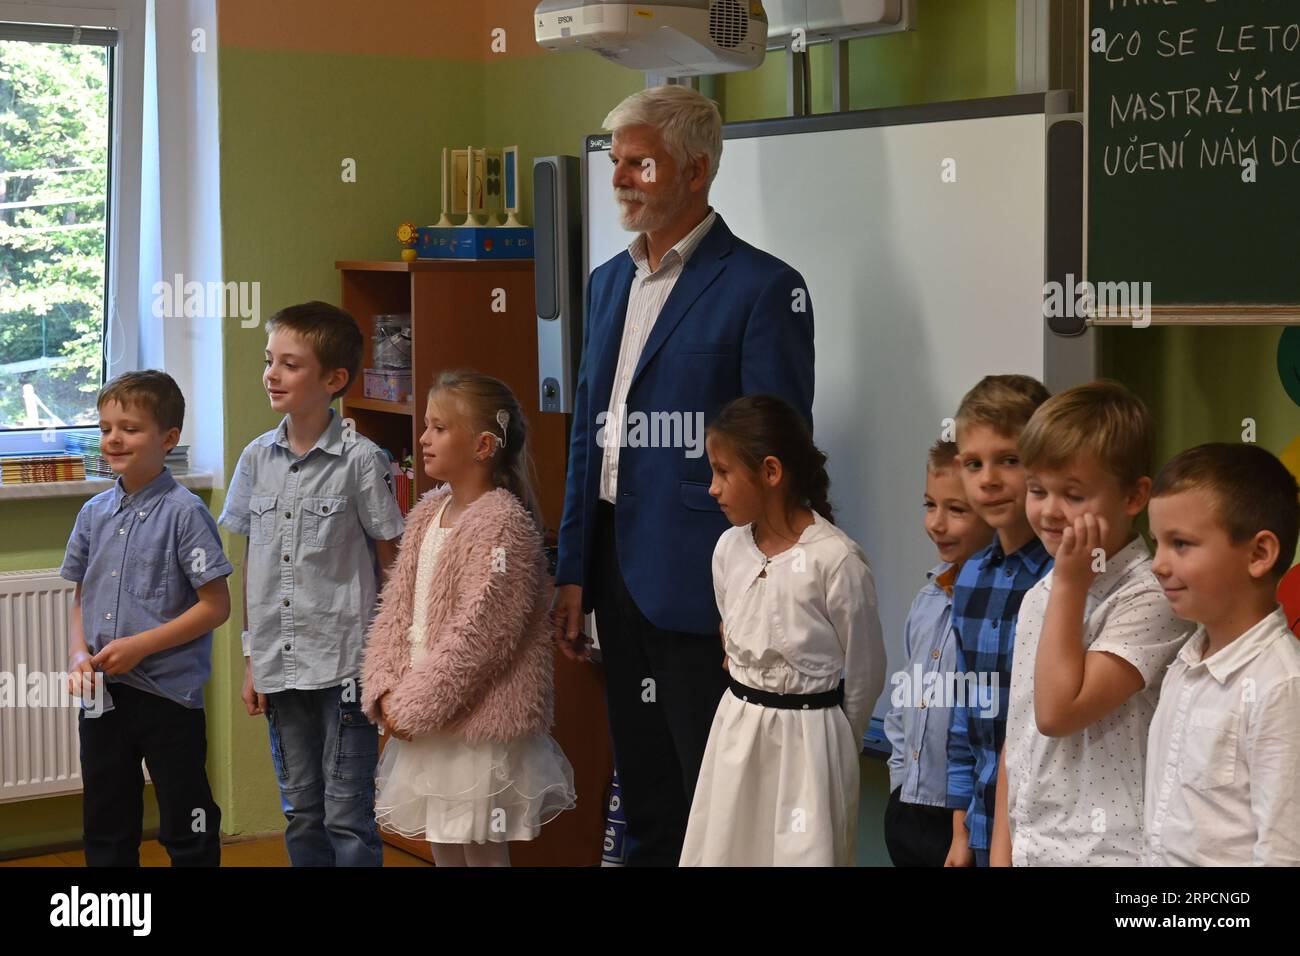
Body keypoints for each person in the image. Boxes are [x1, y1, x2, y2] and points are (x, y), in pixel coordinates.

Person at [550, 85, 816, 865]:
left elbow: (778, 453)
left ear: (695, 171)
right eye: (617, 162)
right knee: (649, 798)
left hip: (709, 583)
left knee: (716, 800)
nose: (621, 178)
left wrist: (758, 588)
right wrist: (573, 569)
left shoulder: (764, 288)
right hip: (614, 570)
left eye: (640, 163)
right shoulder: (607, 283)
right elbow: (585, 441)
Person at [361, 371, 575, 866]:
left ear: (481, 445)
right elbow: (395, 609)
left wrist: (412, 705)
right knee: (445, 845)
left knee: (479, 848)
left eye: (438, 428)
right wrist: (387, 685)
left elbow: (480, 640)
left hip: (475, 725)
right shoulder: (428, 511)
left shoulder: (501, 523)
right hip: (428, 717)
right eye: (426, 426)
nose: (423, 438)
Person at [219, 301, 404, 866]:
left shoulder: (363, 460)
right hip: (281, 665)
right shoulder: (256, 459)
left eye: (290, 365)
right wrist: (254, 658)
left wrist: (390, 659)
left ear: (334, 380)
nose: (271, 374)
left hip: (347, 664)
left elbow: (391, 558)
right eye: (269, 360)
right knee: (301, 813)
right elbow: (256, 566)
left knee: (348, 815)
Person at [993, 381, 1187, 866]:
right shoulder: (1046, 591)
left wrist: (1070, 586)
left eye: (1073, 494)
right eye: (1037, 490)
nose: (1050, 511)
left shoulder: (1150, 595)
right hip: (1034, 846)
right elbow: (1019, 732)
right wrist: (1002, 851)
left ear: (1133, 495)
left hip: (1108, 852)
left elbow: (1057, 714)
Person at [62, 370, 231, 866]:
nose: (114, 438)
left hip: (168, 696)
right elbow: (79, 597)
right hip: (101, 696)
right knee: (106, 818)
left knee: (188, 817)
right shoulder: (93, 513)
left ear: (168, 438)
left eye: (130, 428)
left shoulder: (185, 514)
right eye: (105, 427)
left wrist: (141, 646)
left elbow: (215, 606)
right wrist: (78, 652)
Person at [1144, 443, 1300, 866]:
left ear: (1258, 554)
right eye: (1156, 543)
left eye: (1181, 544)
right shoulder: (1184, 664)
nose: (1157, 564)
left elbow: (1283, 852)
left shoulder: (1282, 685)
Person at [944, 374, 1052, 867]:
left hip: (1048, 826)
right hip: (985, 824)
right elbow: (967, 714)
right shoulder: (968, 579)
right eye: (973, 464)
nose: (988, 479)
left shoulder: (1064, 576)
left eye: (1009, 459)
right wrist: (963, 830)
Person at [883, 439, 993, 867]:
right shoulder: (927, 598)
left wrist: (963, 826)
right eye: (930, 505)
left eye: (957, 510)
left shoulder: (1004, 609)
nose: (936, 523)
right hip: (909, 807)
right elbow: (903, 700)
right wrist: (898, 783)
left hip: (965, 822)